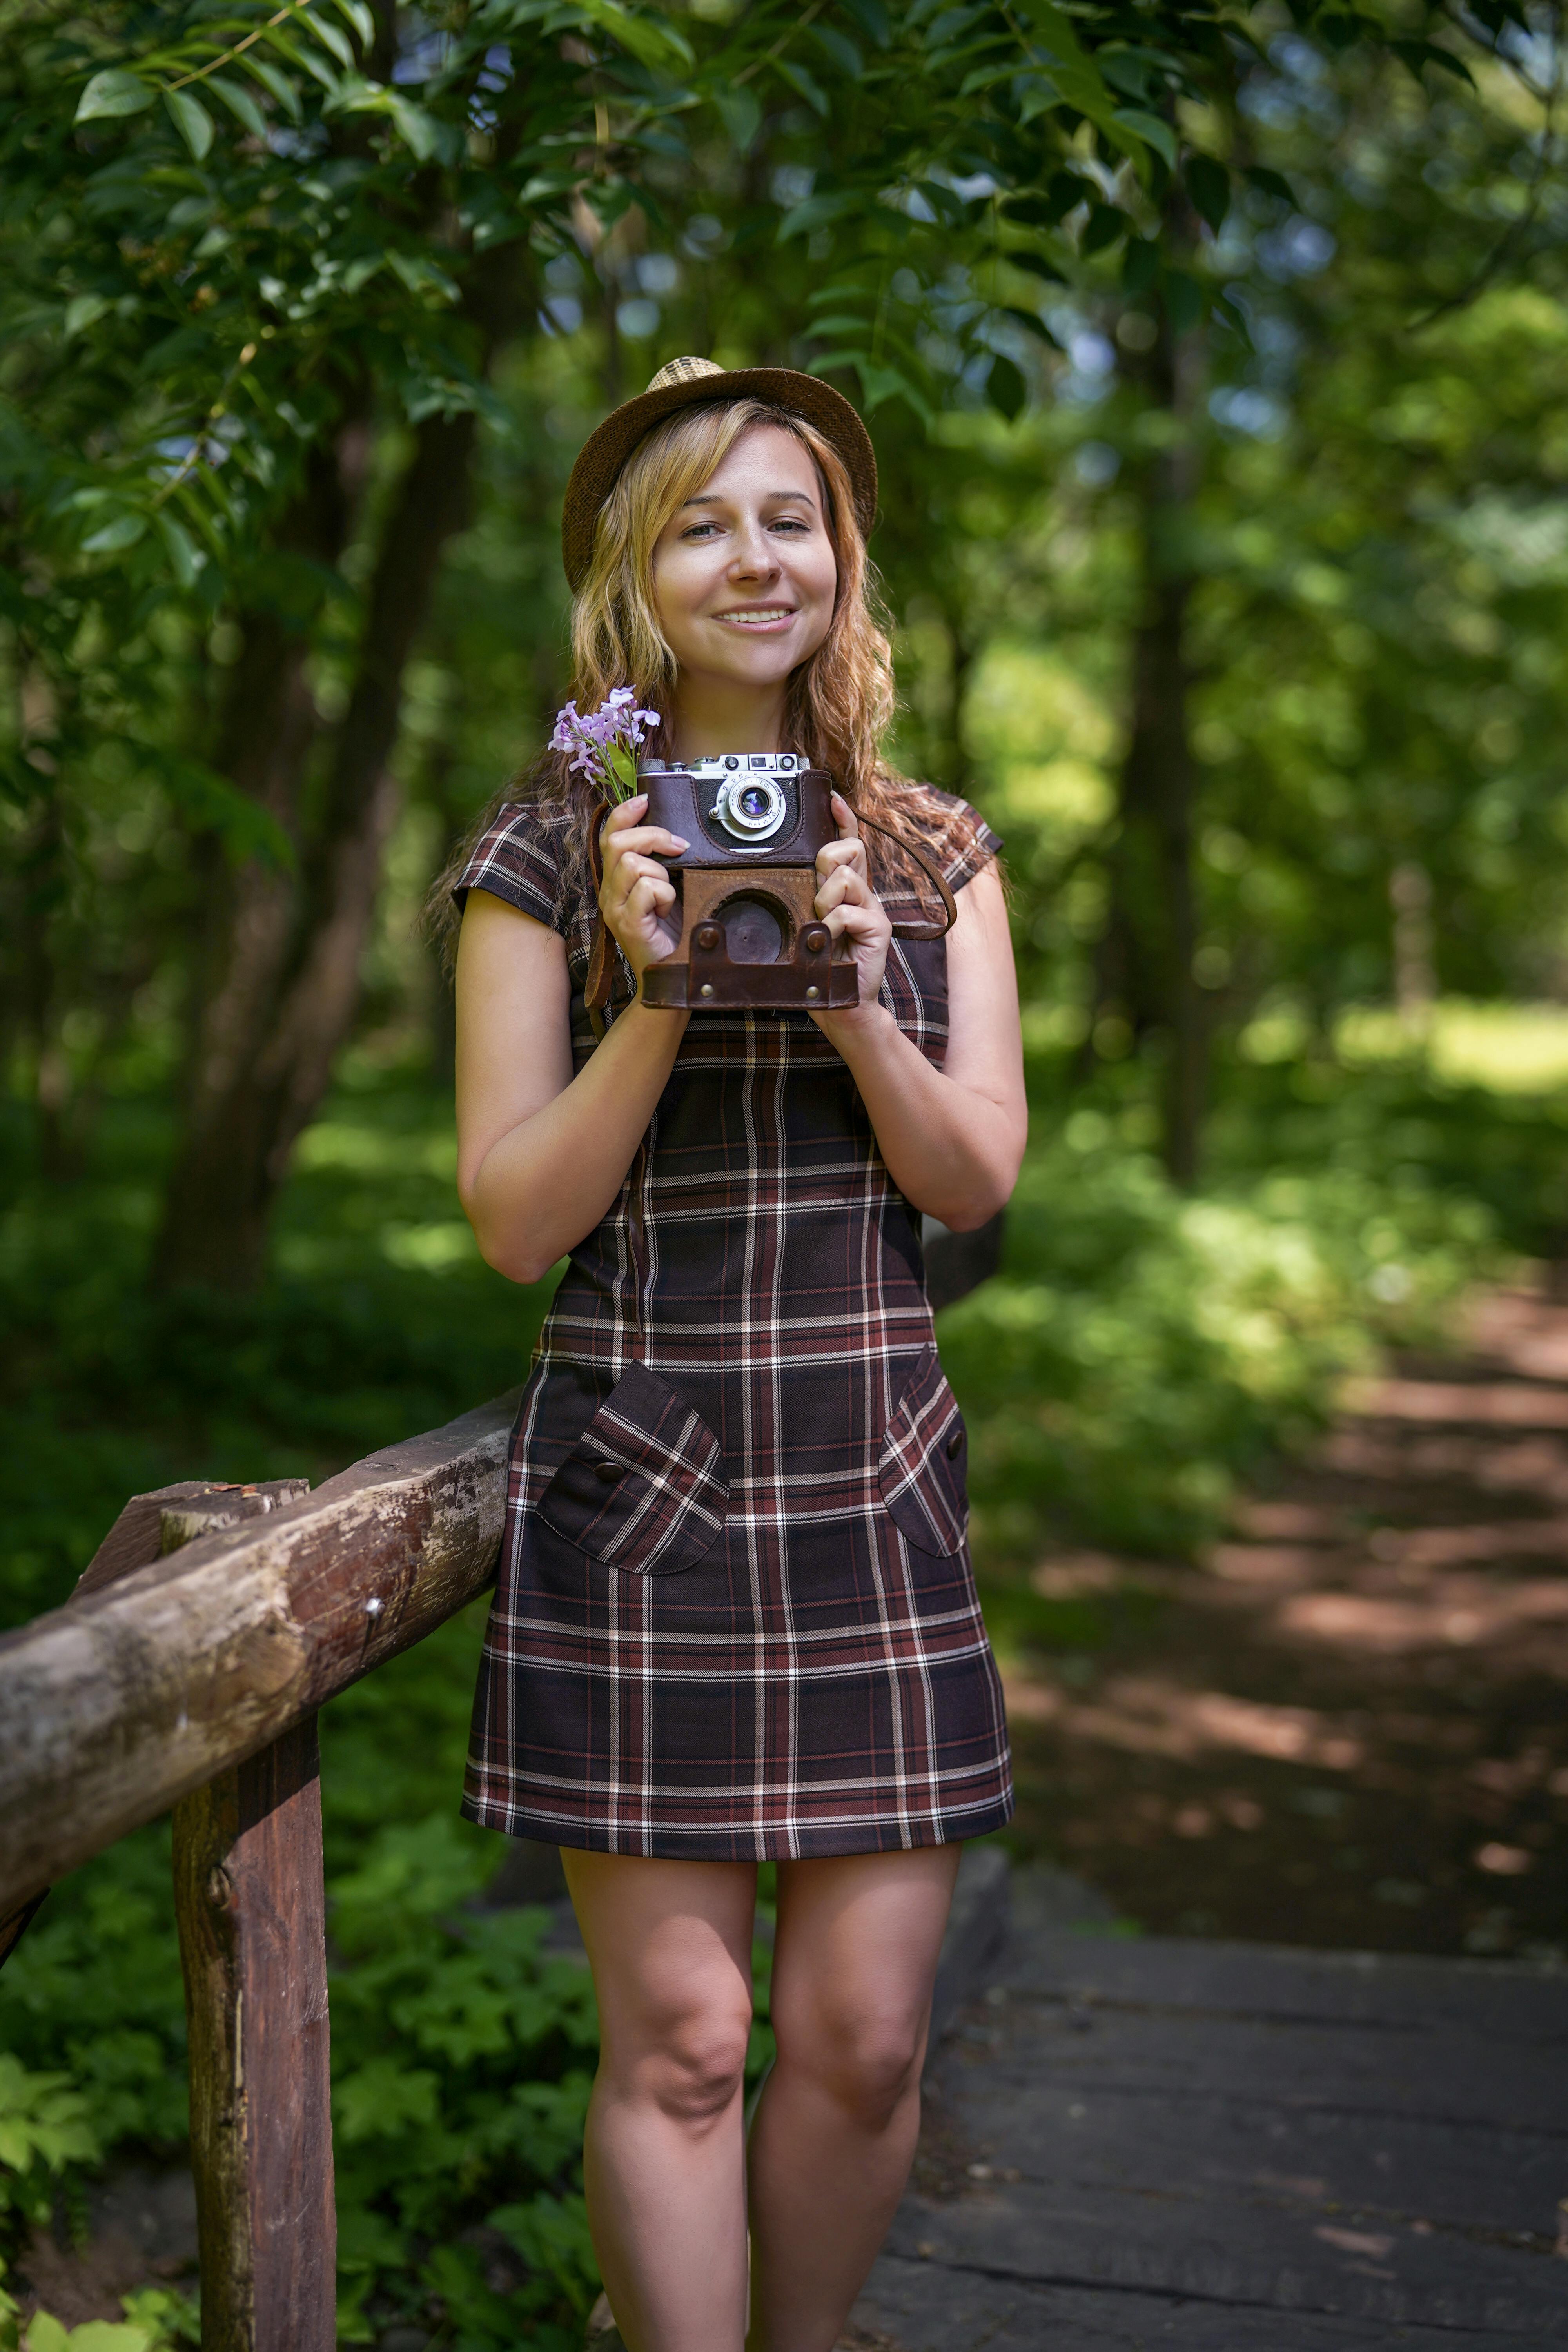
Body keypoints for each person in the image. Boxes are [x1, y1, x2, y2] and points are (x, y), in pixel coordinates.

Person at [439, 356, 1027, 2352]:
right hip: (647, 1488)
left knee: (861, 2042)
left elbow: (972, 1185)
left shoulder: (937, 849)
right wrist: (662, 978)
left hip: (865, 1472)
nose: (749, 557)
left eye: (788, 516)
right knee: (686, 2042)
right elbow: (515, 1217)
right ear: (635, 572)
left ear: (840, 558)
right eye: (699, 521)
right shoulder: (547, 843)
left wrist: (856, 989)